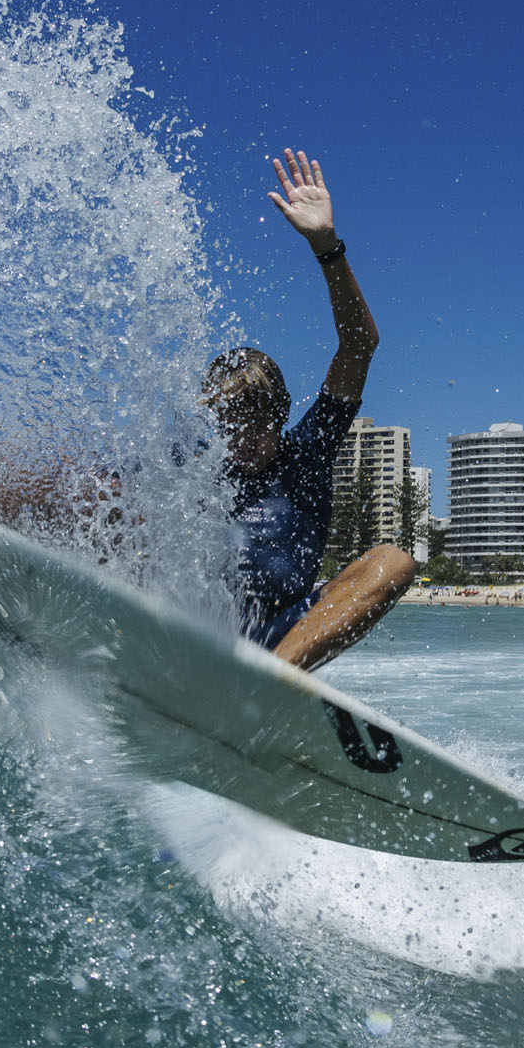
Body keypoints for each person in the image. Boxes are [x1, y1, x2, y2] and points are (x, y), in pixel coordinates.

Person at [205, 149, 416, 671]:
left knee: (393, 561)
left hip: (285, 634)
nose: (242, 438)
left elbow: (358, 346)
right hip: (192, 630)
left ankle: (273, 681)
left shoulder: (306, 453)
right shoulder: (190, 469)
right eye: (228, 425)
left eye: (256, 423)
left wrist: (326, 245)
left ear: (279, 416)